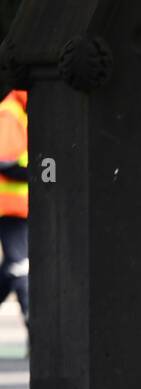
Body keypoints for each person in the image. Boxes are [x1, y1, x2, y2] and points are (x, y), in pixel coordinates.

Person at [0, 88, 28, 332]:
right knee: (20, 265)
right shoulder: (10, 112)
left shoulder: (19, 111)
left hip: (19, 208)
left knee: (14, 266)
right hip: (10, 208)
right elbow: (5, 161)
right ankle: (33, 322)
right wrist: (37, 176)